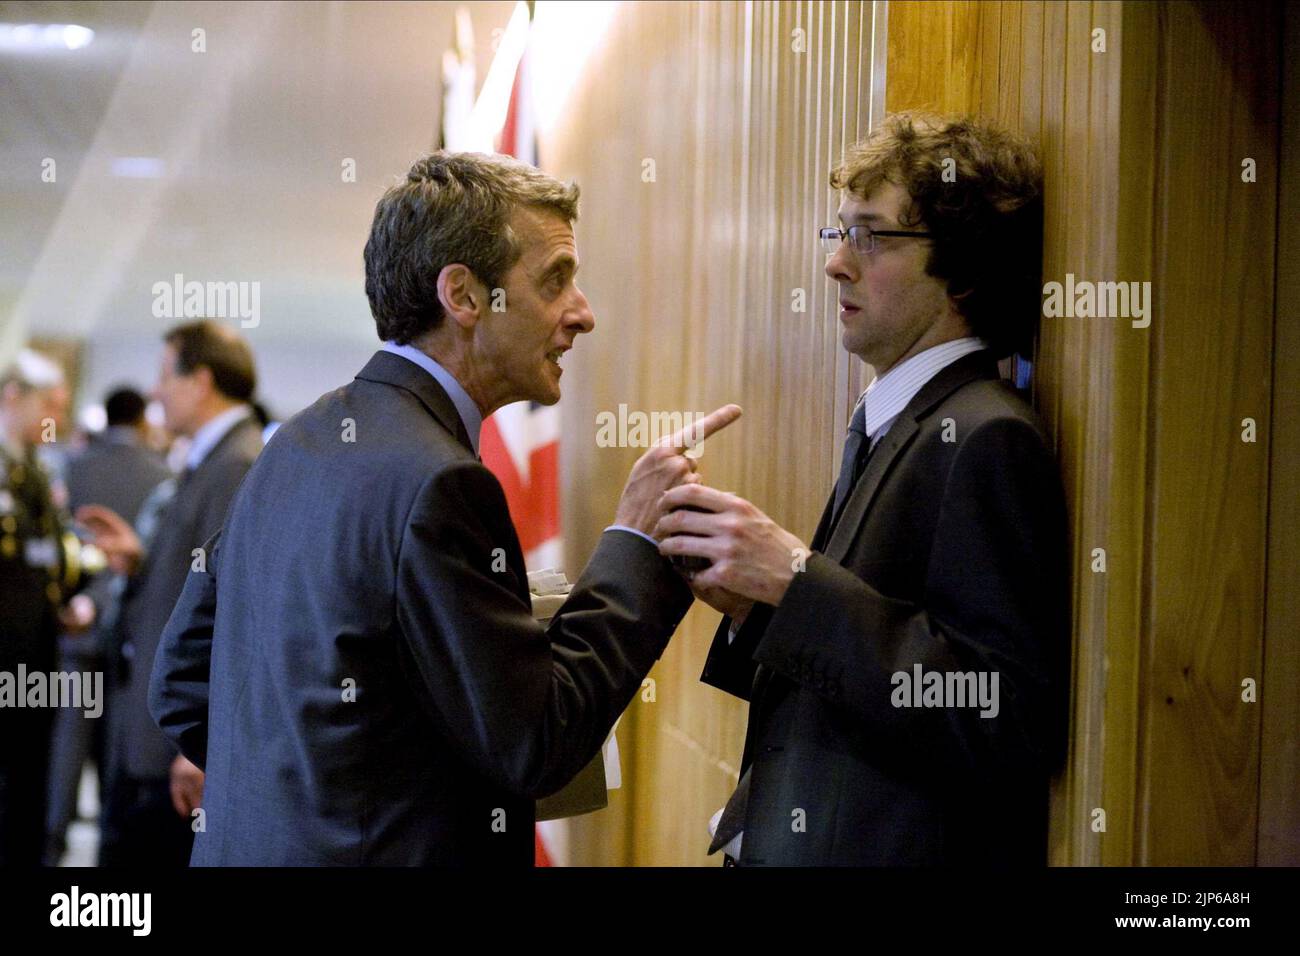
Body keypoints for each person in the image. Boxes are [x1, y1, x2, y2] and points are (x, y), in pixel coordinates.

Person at [148, 151, 741, 865]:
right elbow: (536, 741)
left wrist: (309, 801)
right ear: (463, 295)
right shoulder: (442, 484)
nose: (582, 314)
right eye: (555, 281)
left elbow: (180, 684)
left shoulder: (293, 443)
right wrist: (635, 544)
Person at [658, 113, 1071, 866]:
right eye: (838, 233)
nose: (836, 264)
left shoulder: (987, 435)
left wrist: (795, 581)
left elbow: (999, 711)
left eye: (872, 237)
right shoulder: (895, 419)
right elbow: (864, 649)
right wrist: (760, 605)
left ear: (963, 270)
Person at [79, 322, 262, 866]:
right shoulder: (209, 458)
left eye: (165, 377)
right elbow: (196, 578)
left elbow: (235, 612)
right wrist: (143, 561)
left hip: (175, 750)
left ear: (201, 381)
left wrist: (200, 745)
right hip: (153, 739)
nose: (155, 393)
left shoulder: (236, 463)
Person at [44, 387, 171, 864]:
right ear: (140, 422)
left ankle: (52, 844)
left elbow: (61, 551)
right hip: (127, 643)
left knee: (65, 752)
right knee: (116, 756)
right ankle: (107, 850)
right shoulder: (161, 474)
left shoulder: (75, 468)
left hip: (73, 634)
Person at [0, 349, 78, 866]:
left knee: (28, 785)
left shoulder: (33, 469)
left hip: (36, 657)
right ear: (12, 397)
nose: (58, 420)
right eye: (49, 405)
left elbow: (44, 559)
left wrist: (66, 599)